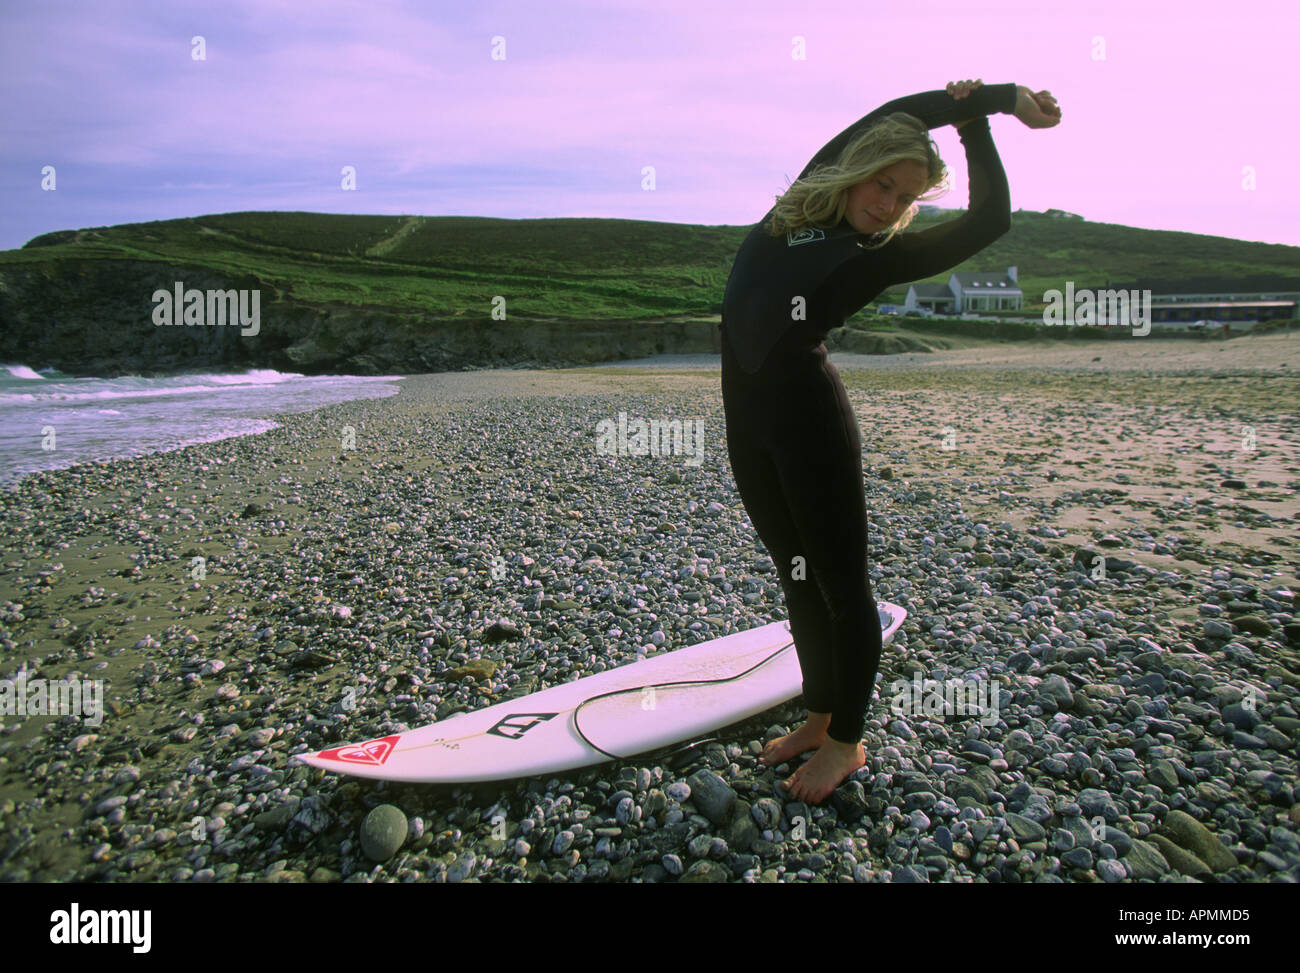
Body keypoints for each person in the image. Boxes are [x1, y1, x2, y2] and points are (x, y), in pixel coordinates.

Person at [720, 78, 1061, 804]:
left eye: (906, 198)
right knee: (798, 575)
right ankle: (819, 716)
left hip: (811, 424)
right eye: (883, 183)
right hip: (748, 426)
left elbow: (990, 219)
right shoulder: (794, 207)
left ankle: (847, 741)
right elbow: (891, 115)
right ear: (858, 168)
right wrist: (993, 95)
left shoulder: (877, 255)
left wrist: (979, 130)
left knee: (845, 588)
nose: (888, 204)